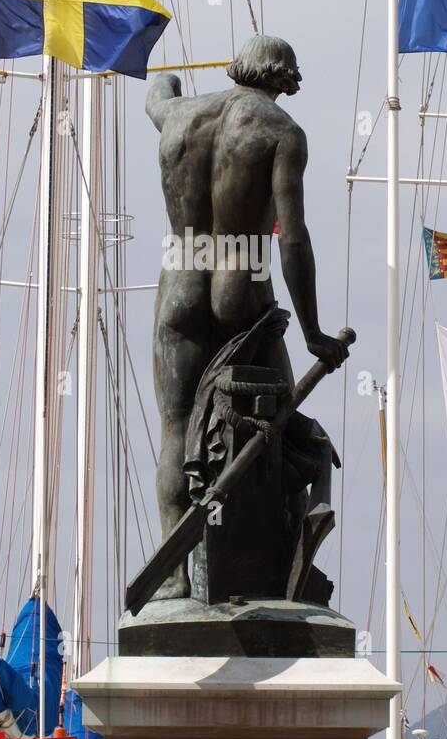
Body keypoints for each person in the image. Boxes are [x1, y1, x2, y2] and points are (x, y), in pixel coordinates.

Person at [147, 36, 350, 597]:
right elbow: (293, 239)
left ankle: (173, 578)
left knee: (174, 428)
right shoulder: (282, 133)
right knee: (281, 425)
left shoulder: (180, 116)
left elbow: (156, 93)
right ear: (283, 79)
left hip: (182, 277)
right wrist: (312, 333)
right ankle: (286, 567)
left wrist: (167, 82)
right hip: (242, 285)